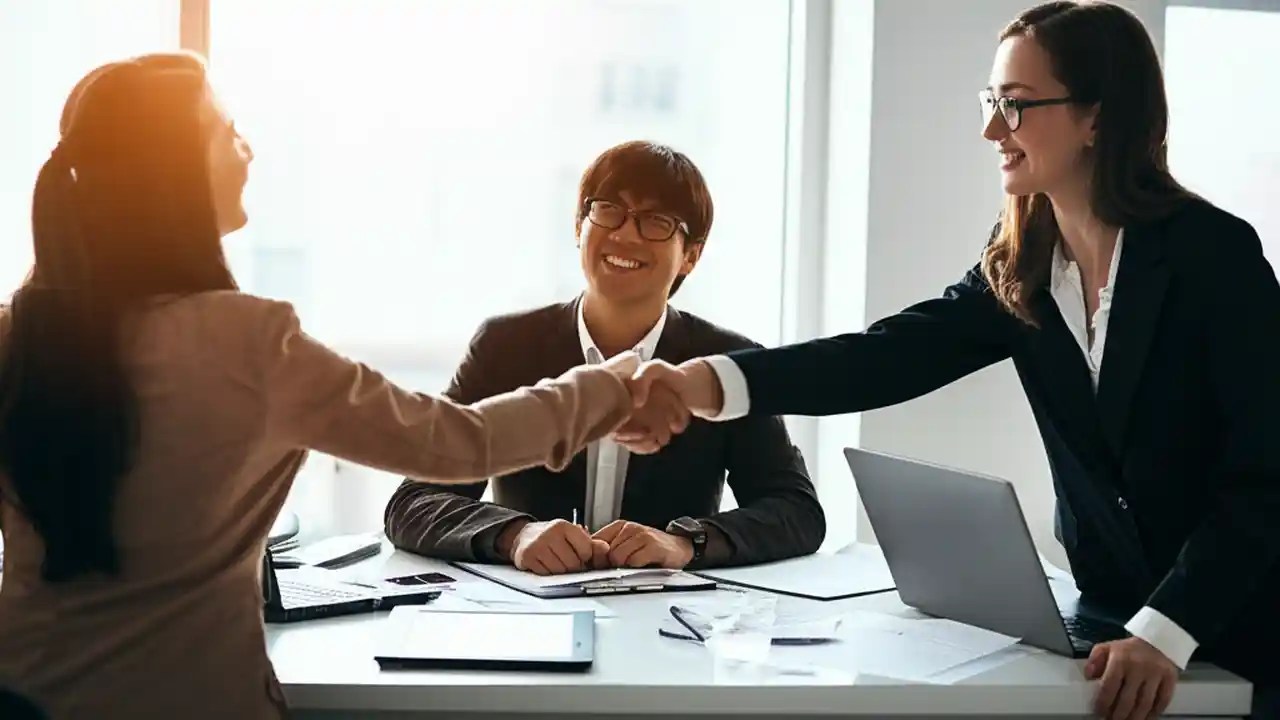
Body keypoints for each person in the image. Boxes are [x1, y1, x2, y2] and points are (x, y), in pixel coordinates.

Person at [624, 3, 1279, 719]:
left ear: (1098, 117)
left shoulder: (1213, 256)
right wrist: (704, 382)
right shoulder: (1022, 262)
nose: (992, 129)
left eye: (1017, 106)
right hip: (1107, 626)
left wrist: (1167, 629)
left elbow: (1265, 477)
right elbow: (885, 357)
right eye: (991, 102)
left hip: (1233, 632)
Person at [0, 53, 651, 720]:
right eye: (227, 134)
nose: (246, 153)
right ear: (174, 172)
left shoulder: (18, 334)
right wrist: (614, 386)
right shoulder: (247, 341)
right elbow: (459, 443)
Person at [384, 141, 824, 574]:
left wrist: (684, 542)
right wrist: (514, 535)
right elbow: (413, 500)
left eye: (656, 221)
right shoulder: (505, 346)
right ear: (579, 227)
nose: (626, 234)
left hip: (667, 619)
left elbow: (797, 511)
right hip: (530, 617)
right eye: (608, 209)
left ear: (691, 255)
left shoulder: (723, 363)